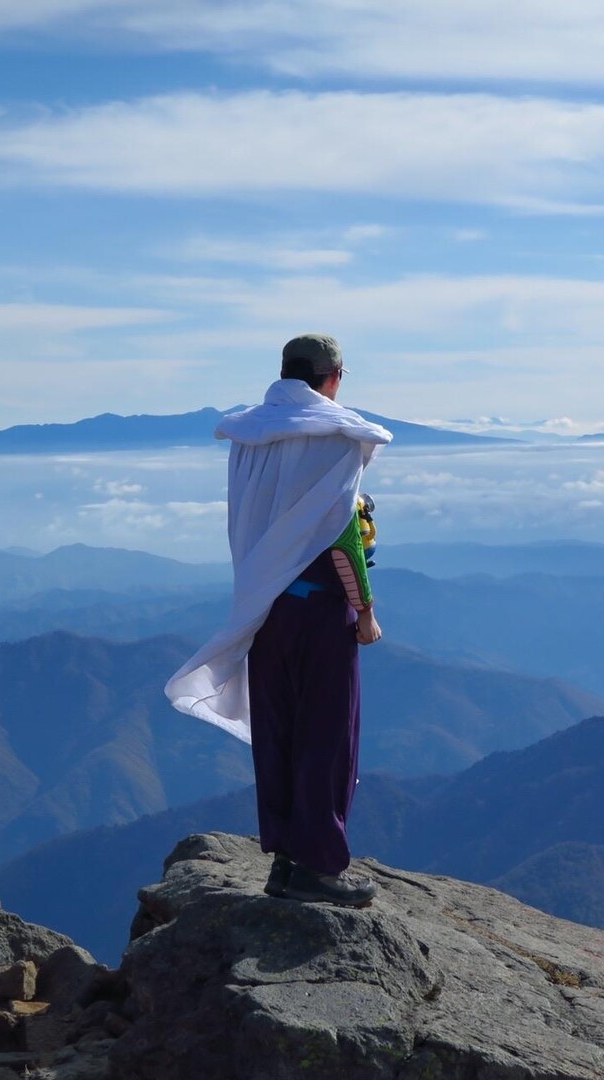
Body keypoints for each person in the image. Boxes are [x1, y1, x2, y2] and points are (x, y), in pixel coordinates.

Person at [165, 333, 392, 907]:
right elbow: (338, 532)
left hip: (264, 606)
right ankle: (318, 865)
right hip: (320, 610)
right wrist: (363, 610)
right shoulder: (336, 438)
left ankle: (287, 863)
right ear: (333, 377)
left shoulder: (250, 436)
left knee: (282, 734)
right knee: (326, 734)